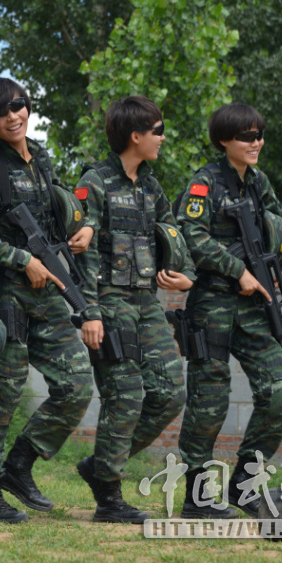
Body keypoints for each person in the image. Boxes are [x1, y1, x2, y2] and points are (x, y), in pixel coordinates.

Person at [0, 77, 92, 523]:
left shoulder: (43, 159)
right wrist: (22, 260)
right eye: (3, 112)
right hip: (8, 297)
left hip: (49, 294)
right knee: (2, 395)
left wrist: (82, 227)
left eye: (19, 105)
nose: (14, 116)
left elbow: (63, 210)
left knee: (76, 386)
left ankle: (20, 464)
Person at [174, 103, 282, 518]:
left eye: (259, 134)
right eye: (247, 136)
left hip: (253, 306)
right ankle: (197, 494)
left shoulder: (259, 183)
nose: (256, 142)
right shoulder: (204, 183)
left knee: (279, 391)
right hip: (212, 303)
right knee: (210, 400)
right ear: (225, 139)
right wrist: (237, 270)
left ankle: (244, 485)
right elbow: (190, 233)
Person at [74, 96, 191, 523]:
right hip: (109, 303)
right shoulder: (95, 182)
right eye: (157, 131)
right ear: (135, 135)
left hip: (146, 303)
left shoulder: (152, 186)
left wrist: (186, 274)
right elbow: (81, 254)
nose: (162, 139)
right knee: (123, 396)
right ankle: (109, 495)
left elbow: (174, 233)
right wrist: (88, 311)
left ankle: (99, 464)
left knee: (170, 393)